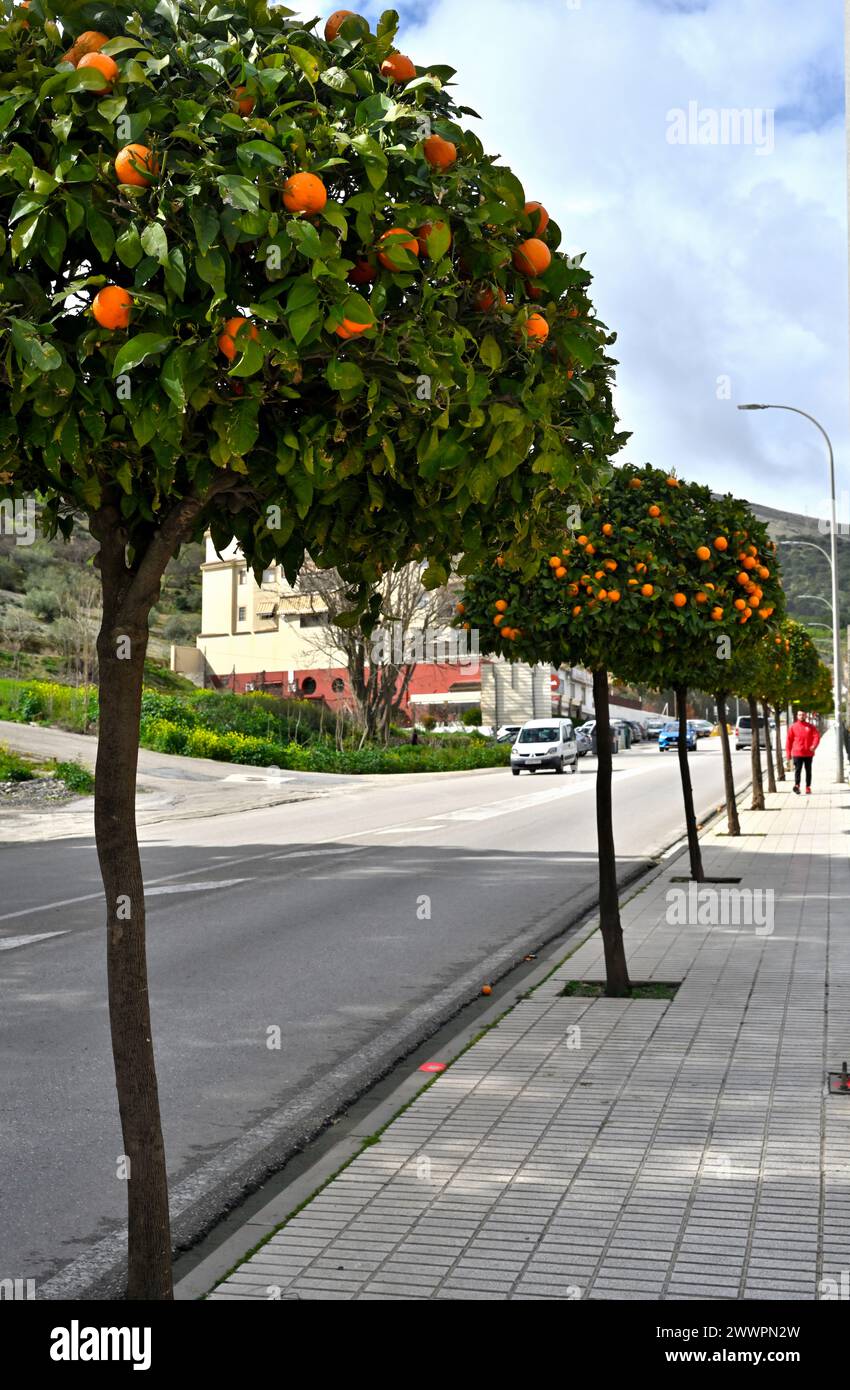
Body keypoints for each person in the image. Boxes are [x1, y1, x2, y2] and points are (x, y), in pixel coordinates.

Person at [785, 710, 820, 795]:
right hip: (797, 753)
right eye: (800, 715)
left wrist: (814, 746)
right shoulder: (793, 727)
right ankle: (797, 786)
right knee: (797, 770)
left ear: (806, 716)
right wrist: (788, 754)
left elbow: (816, 737)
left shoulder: (811, 727)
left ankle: (808, 787)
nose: (801, 716)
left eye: (803, 715)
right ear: (797, 716)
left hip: (808, 753)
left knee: (808, 771)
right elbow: (788, 741)